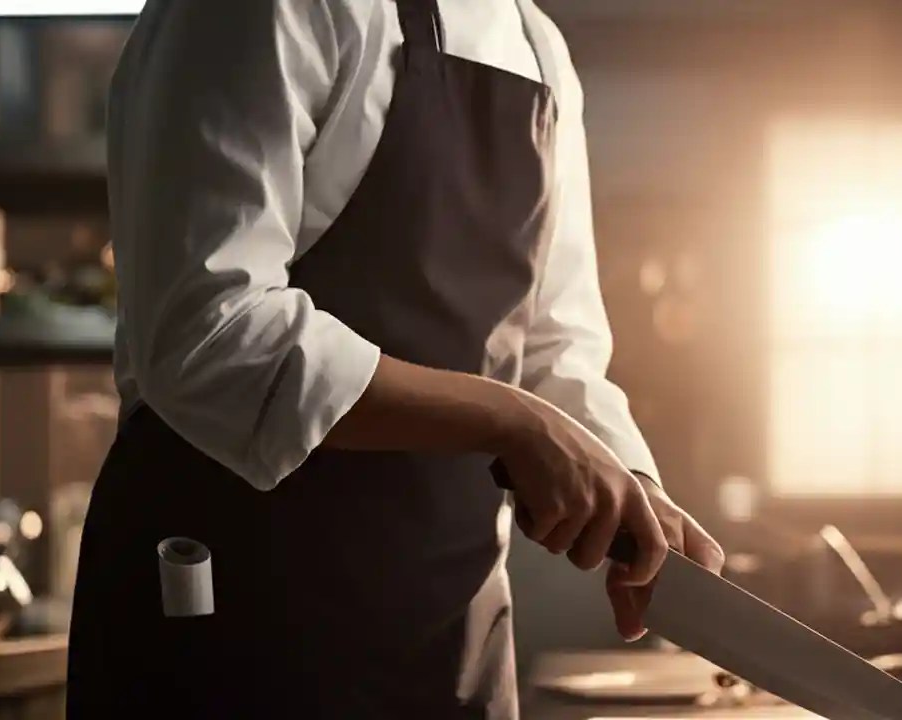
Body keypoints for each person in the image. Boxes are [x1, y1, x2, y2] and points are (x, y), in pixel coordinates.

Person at [65, 0, 724, 717]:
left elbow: (555, 347)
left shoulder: (539, 48)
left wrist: (631, 486)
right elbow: (210, 331)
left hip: (449, 628)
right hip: (237, 624)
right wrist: (511, 421)